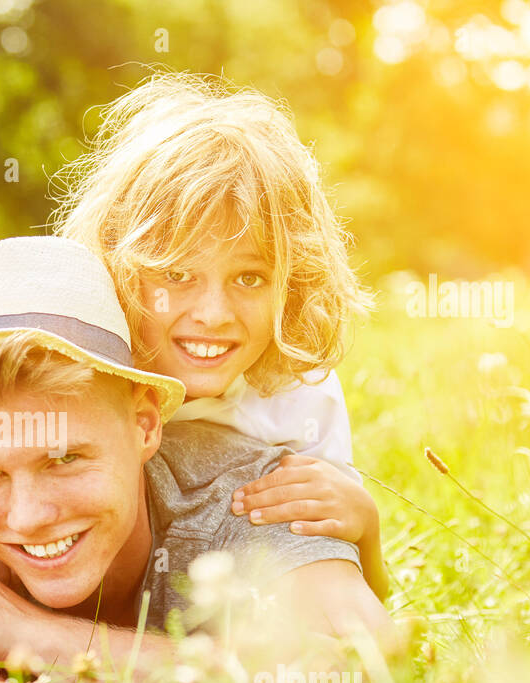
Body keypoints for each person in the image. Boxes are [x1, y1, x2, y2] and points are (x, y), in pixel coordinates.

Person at [0, 236, 395, 683]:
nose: (28, 516)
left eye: (64, 460)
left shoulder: (259, 493)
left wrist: (23, 630)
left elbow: (350, 675)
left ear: (145, 427)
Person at [52, 72, 388, 599]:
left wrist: (365, 527)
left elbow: (349, 591)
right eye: (178, 275)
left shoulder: (298, 393)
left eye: (249, 278)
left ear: (291, 281)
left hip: (212, 609)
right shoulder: (78, 358)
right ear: (119, 265)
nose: (213, 314)